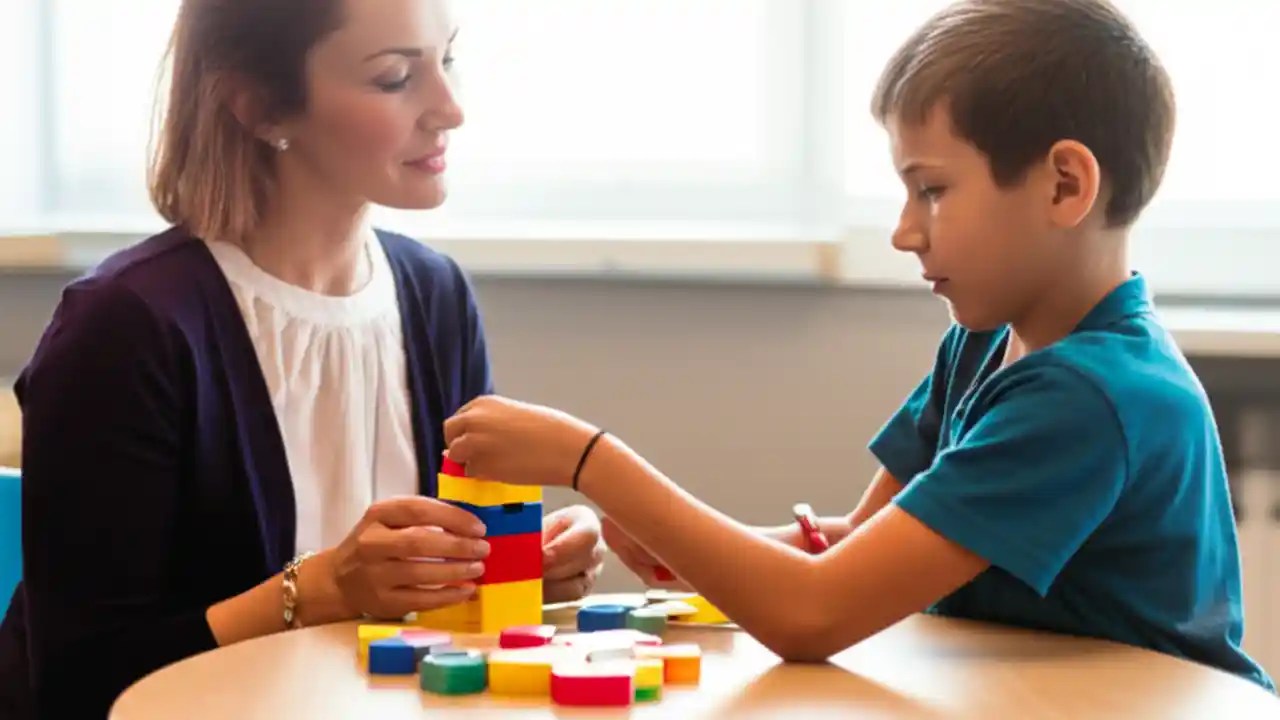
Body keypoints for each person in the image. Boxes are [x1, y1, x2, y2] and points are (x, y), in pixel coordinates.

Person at [441, 0, 1274, 693]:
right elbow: (857, 553)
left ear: (1065, 184)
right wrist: (684, 547)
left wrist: (593, 461)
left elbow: (815, 612)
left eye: (933, 189)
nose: (904, 230)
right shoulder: (982, 344)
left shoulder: (1093, 397)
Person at [0, 0, 605, 716]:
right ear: (258, 108)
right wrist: (318, 592)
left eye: (447, 61)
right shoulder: (123, 329)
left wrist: (522, 566)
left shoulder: (436, 296)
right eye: (393, 78)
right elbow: (82, 682)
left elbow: (448, 609)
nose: (450, 109)